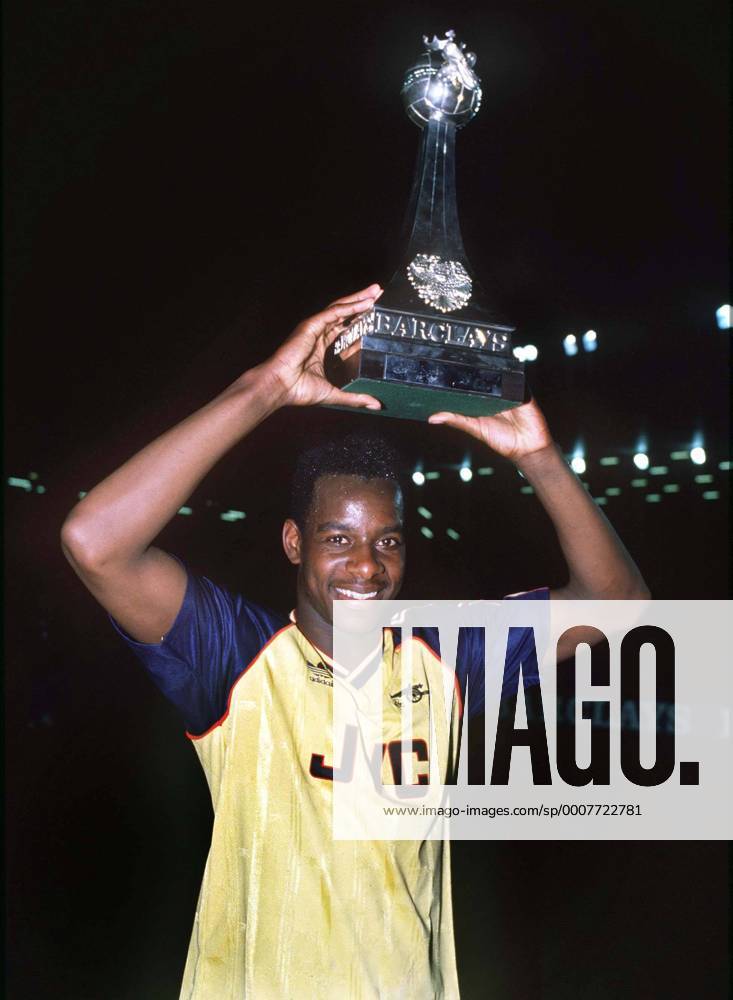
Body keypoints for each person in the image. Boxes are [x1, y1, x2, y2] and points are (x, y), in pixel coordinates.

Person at [61, 283, 649, 999]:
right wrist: (265, 389)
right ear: (294, 543)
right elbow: (94, 543)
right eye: (338, 538)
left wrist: (540, 457)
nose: (366, 566)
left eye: (386, 541)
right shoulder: (234, 656)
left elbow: (618, 607)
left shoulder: (446, 657)